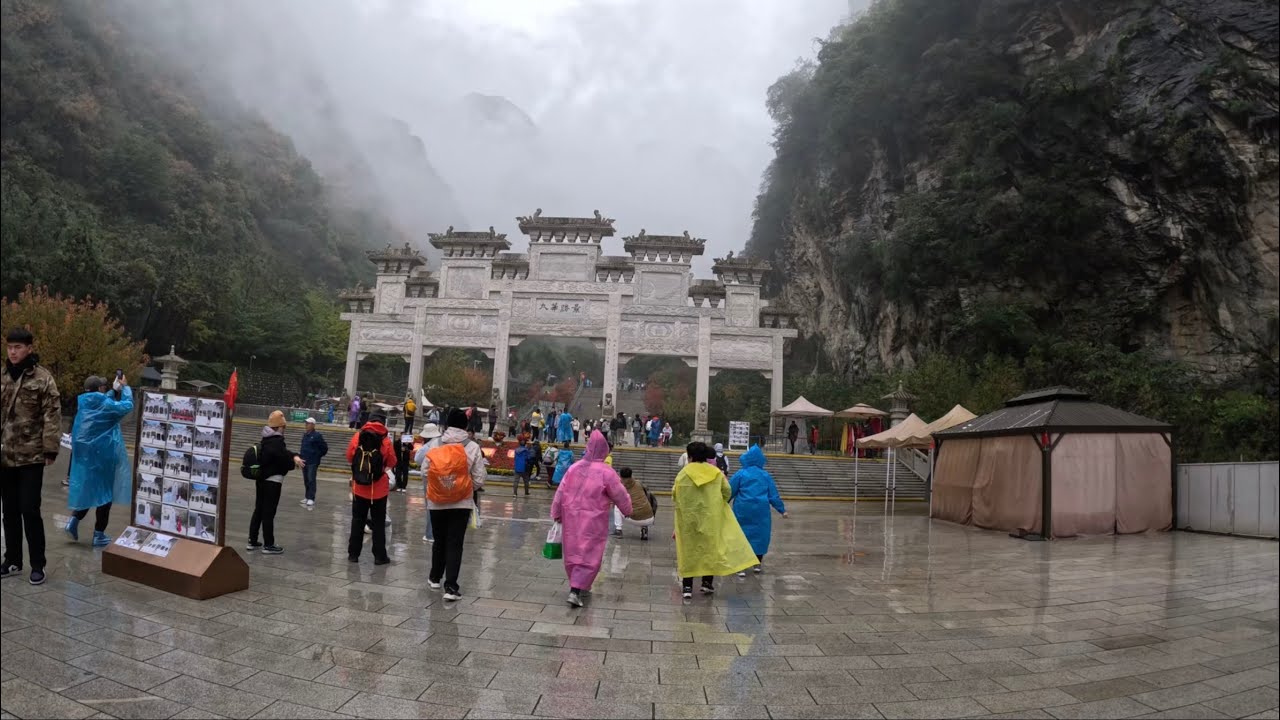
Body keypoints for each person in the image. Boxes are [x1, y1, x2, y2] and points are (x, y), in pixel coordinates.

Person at [1, 329, 61, 584]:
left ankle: (38, 564)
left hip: (31, 456)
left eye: (17, 347)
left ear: (28, 348)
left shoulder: (43, 378)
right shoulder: (2, 376)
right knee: (9, 511)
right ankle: (13, 559)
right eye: (9, 347)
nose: (13, 352)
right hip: (5, 455)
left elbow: (52, 414)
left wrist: (50, 449)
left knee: (30, 509)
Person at [551, 431, 632, 607]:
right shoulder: (606, 472)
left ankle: (578, 584)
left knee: (573, 552)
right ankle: (576, 589)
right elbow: (620, 494)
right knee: (590, 552)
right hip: (594, 519)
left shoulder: (574, 468)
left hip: (571, 517)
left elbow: (560, 493)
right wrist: (627, 509)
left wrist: (556, 512)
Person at [672, 441, 756, 599]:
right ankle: (706, 583)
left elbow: (675, 495)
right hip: (712, 519)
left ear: (689, 456)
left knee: (688, 550)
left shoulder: (683, 474)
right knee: (709, 550)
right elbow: (727, 492)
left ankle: (688, 587)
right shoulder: (716, 473)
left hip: (689, 519)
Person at [422, 409, 486, 601]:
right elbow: (480, 478)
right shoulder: (472, 446)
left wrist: (442, 486)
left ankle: (434, 578)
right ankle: (450, 587)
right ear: (465, 426)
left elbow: (425, 471)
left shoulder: (435, 443)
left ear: (447, 425)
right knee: (455, 543)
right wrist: (464, 488)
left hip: (437, 502)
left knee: (439, 541)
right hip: (461, 503)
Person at [65, 375, 133, 547]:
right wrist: (125, 388)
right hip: (104, 457)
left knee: (89, 490)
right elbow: (127, 406)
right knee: (105, 496)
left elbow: (104, 404)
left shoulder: (85, 404)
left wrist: (113, 391)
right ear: (100, 389)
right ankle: (99, 534)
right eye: (103, 387)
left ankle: (73, 520)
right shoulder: (106, 405)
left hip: (87, 458)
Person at [248, 411, 305, 554]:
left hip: (261, 480)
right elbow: (284, 460)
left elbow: (284, 453)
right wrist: (293, 462)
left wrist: (294, 456)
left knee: (259, 510)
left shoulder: (266, 439)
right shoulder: (277, 441)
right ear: (279, 427)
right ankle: (269, 544)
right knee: (269, 512)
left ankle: (252, 541)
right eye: (284, 427)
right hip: (273, 482)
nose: (284, 429)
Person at [345, 411, 397, 564]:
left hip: (359, 487)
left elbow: (349, 457)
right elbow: (392, 462)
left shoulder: (357, 437)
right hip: (379, 489)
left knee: (357, 520)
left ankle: (353, 554)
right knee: (378, 523)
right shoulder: (386, 440)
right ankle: (380, 556)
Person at [729, 445, 788, 576]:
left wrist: (722, 502)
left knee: (741, 535)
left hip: (742, 509)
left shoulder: (741, 474)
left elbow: (730, 490)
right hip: (761, 511)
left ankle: (741, 566)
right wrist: (782, 509)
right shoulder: (765, 476)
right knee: (760, 535)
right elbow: (773, 495)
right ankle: (757, 563)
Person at [414, 422, 442, 542]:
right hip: (444, 478)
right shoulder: (444, 443)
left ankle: (430, 534)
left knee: (431, 506)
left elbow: (417, 459)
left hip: (430, 478)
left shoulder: (428, 446)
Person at [612, 467, 655, 540]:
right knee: (642, 504)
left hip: (634, 518)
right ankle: (644, 528)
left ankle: (618, 530)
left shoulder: (621, 486)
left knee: (617, 505)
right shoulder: (639, 483)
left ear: (620, 476)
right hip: (650, 518)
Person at [299, 418, 328, 507]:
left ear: (313, 425)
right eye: (306, 423)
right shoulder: (305, 435)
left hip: (313, 461)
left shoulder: (317, 435)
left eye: (308, 423)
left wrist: (317, 456)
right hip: (304, 460)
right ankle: (307, 497)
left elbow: (324, 448)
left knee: (311, 479)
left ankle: (311, 498)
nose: (306, 425)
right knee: (306, 480)